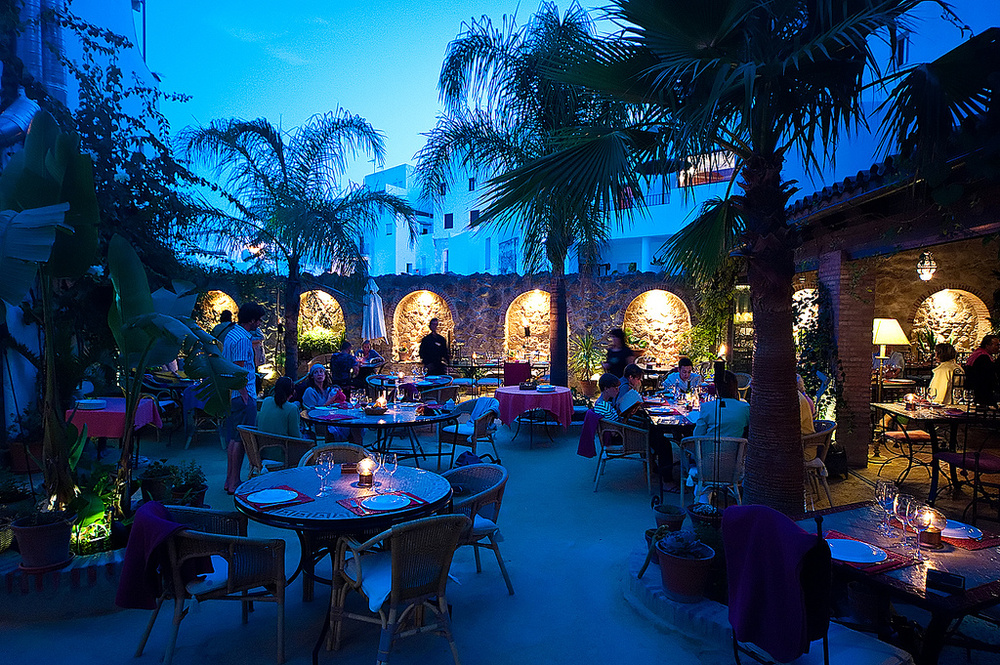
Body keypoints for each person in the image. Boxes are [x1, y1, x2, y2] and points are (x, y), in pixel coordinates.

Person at [222, 302, 266, 494]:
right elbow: (239, 370)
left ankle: (229, 479)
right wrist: (245, 395)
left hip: (235, 395)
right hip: (243, 395)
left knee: (233, 437)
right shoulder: (242, 339)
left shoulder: (232, 334)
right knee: (242, 438)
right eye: (258, 320)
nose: (260, 324)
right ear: (251, 320)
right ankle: (234, 482)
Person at [693, 370, 750, 439]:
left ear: (717, 388)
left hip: (709, 448)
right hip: (736, 448)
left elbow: (697, 435)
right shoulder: (745, 408)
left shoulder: (707, 407)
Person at [964, 334, 998, 406]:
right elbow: (988, 377)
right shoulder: (983, 358)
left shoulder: (977, 354)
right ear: (987, 345)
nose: (998, 347)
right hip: (981, 393)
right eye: (996, 345)